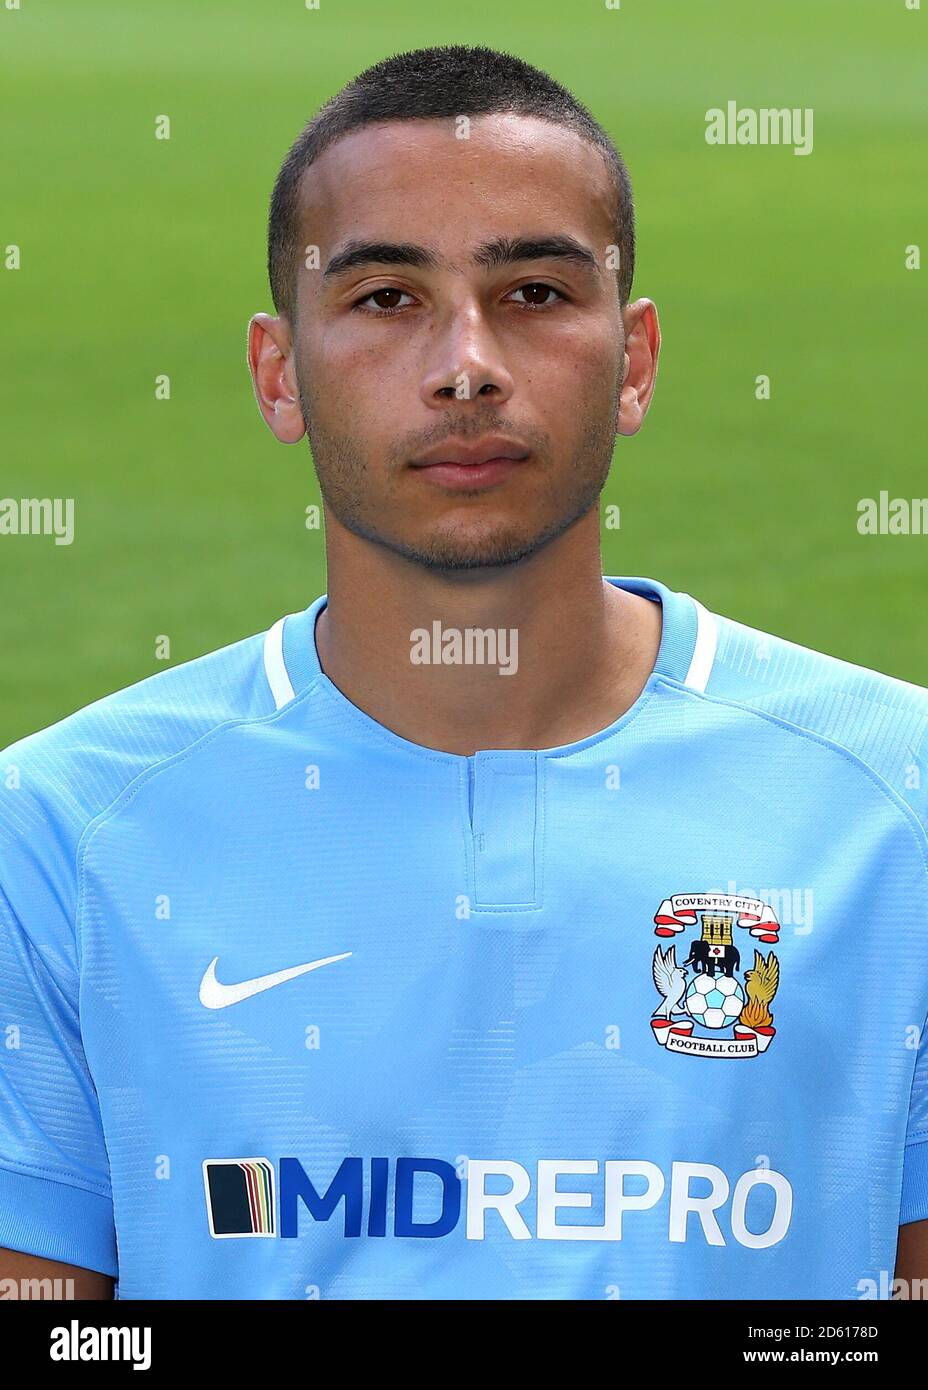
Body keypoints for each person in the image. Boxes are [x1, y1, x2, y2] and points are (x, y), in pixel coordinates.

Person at [1, 44, 927, 1301]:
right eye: (387, 297)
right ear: (280, 374)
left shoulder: (896, 805)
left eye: (534, 291)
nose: (467, 365)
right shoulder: (59, 833)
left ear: (635, 360)